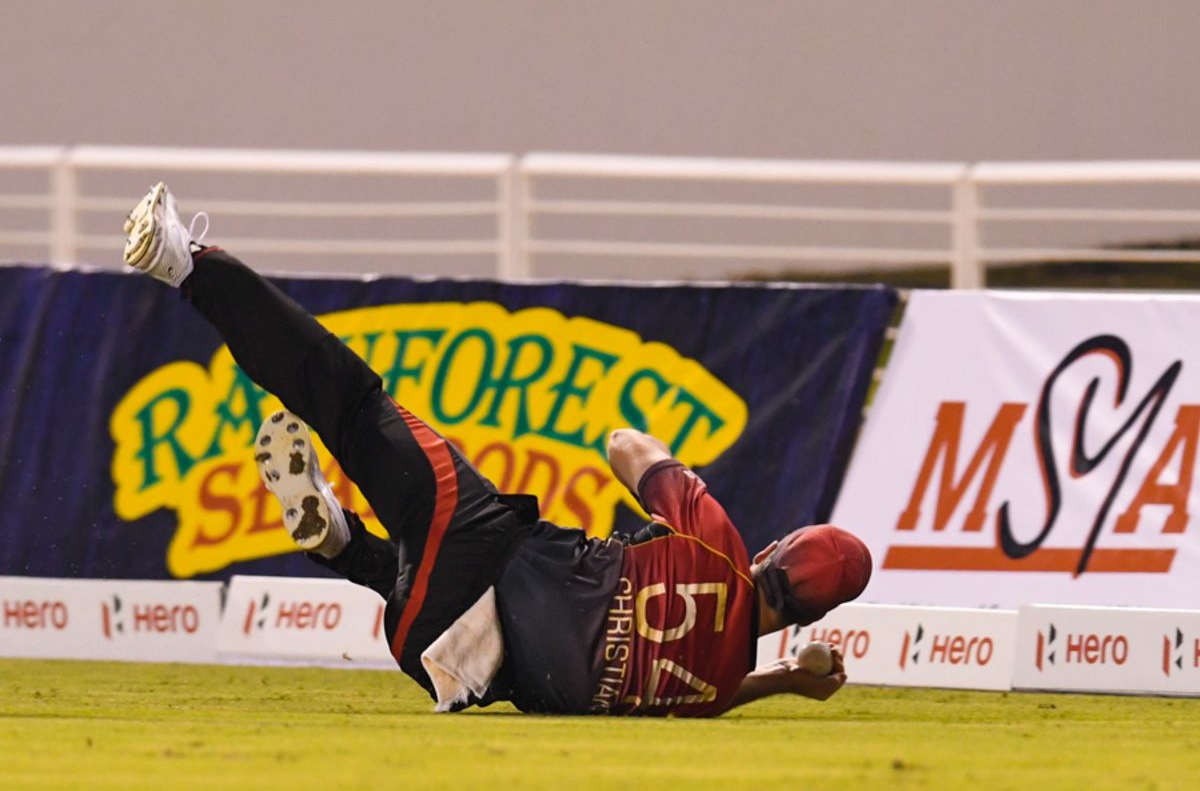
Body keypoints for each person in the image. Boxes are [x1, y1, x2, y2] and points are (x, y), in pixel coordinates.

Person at [121, 182, 873, 716]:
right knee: (443, 593)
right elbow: (724, 683)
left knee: (350, 402)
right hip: (442, 655)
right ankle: (348, 546)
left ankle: (185, 263)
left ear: (775, 549)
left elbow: (623, 444)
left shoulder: (717, 548)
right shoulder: (707, 689)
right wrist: (789, 676)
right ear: (814, 614)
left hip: (478, 544)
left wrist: (676, 488)